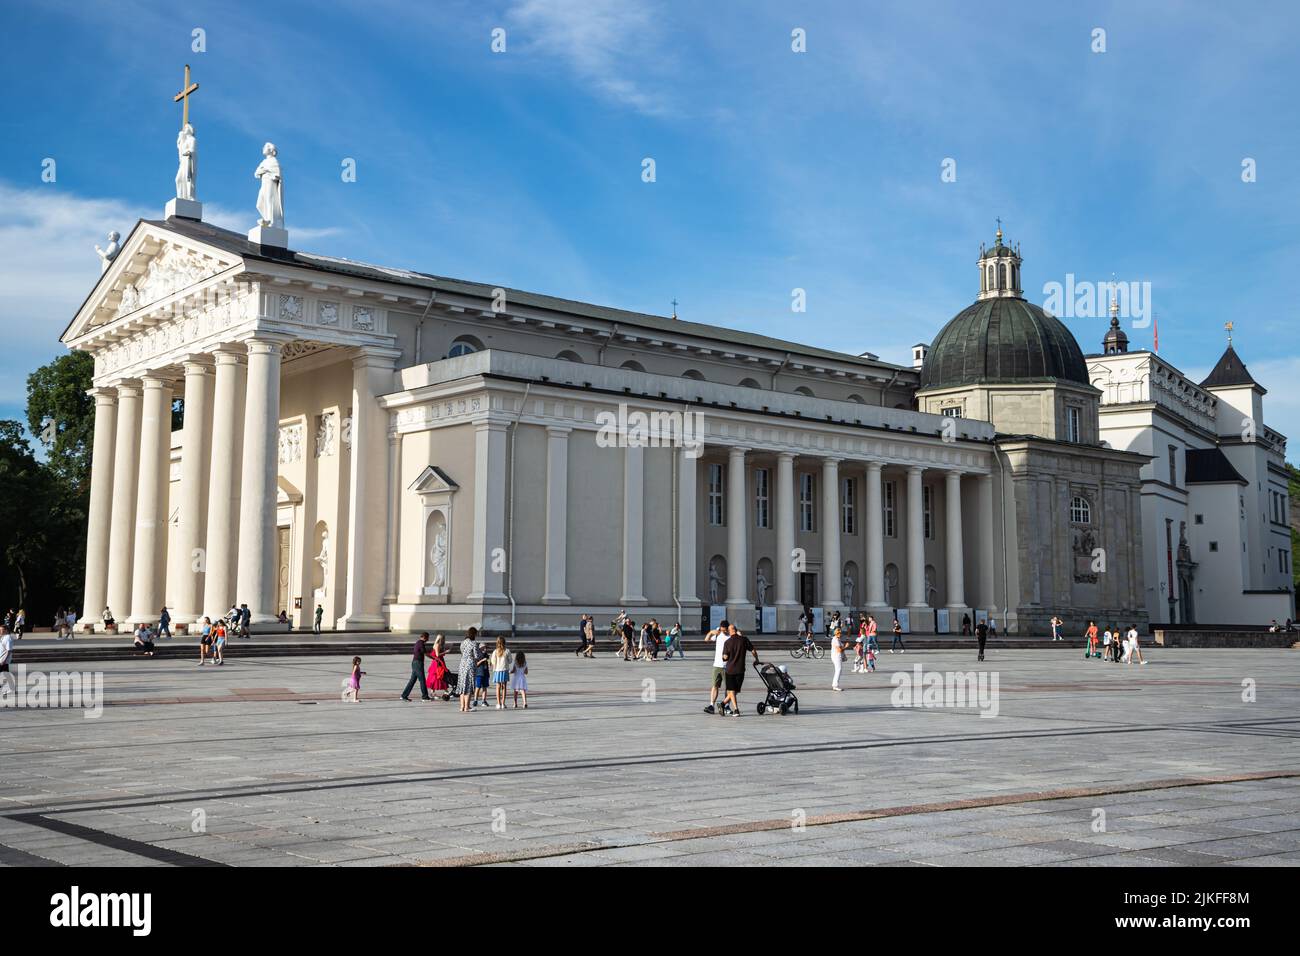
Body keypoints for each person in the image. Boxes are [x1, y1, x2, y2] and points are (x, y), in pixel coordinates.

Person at [720, 625, 758, 716]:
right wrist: (757, 660)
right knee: (734, 691)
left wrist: (724, 657)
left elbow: (725, 658)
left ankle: (722, 704)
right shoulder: (744, 639)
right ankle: (736, 709)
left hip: (730, 670)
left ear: (729, 631)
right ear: (736, 630)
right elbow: (753, 650)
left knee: (733, 691)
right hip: (740, 670)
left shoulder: (727, 642)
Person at [703, 620, 732, 715]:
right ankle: (711, 706)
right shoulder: (718, 634)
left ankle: (727, 706)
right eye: (721, 629)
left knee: (728, 687)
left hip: (728, 665)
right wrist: (711, 632)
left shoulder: (731, 636)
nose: (722, 631)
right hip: (717, 665)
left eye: (724, 630)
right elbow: (706, 640)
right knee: (715, 686)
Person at [401, 632, 435, 701]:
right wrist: (434, 658)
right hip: (418, 663)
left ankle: (404, 695)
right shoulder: (421, 643)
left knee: (412, 680)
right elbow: (425, 653)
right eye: (427, 638)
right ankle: (425, 697)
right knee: (422, 680)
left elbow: (424, 651)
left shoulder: (418, 642)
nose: (428, 640)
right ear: (425, 637)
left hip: (415, 663)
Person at [457, 628, 479, 712]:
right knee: (469, 685)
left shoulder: (463, 642)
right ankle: (467, 707)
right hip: (470, 665)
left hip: (462, 664)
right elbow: (476, 656)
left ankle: (462, 706)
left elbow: (462, 652)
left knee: (462, 685)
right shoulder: (474, 643)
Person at [427, 634, 450, 700]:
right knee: (439, 676)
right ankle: (444, 691)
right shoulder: (437, 645)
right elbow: (437, 655)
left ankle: (434, 692)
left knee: (439, 676)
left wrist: (444, 650)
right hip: (437, 663)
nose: (443, 640)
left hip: (438, 662)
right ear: (440, 639)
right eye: (443, 639)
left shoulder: (438, 645)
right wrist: (445, 651)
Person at [489, 636, 510, 709]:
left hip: (497, 671)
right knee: (504, 687)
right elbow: (510, 661)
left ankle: (498, 703)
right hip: (504, 670)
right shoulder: (507, 651)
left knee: (498, 687)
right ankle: (503, 703)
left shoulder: (495, 651)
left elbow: (493, 662)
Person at [830, 627, 846, 691]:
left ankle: (834, 684)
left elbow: (841, 648)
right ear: (836, 633)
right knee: (838, 670)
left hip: (837, 656)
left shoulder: (838, 639)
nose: (840, 634)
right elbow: (839, 650)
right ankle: (835, 685)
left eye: (840, 632)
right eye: (838, 633)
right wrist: (846, 646)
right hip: (836, 656)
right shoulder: (835, 640)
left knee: (838, 670)